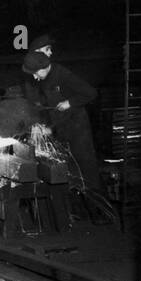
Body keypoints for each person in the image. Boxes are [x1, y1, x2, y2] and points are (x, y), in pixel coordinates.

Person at [21, 50, 100, 190]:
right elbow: (50, 109)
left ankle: (95, 202)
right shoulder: (43, 79)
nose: (34, 76)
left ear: (44, 67)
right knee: (67, 171)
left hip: (78, 129)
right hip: (62, 128)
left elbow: (91, 93)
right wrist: (46, 126)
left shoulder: (64, 75)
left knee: (86, 170)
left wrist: (70, 102)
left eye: (35, 72)